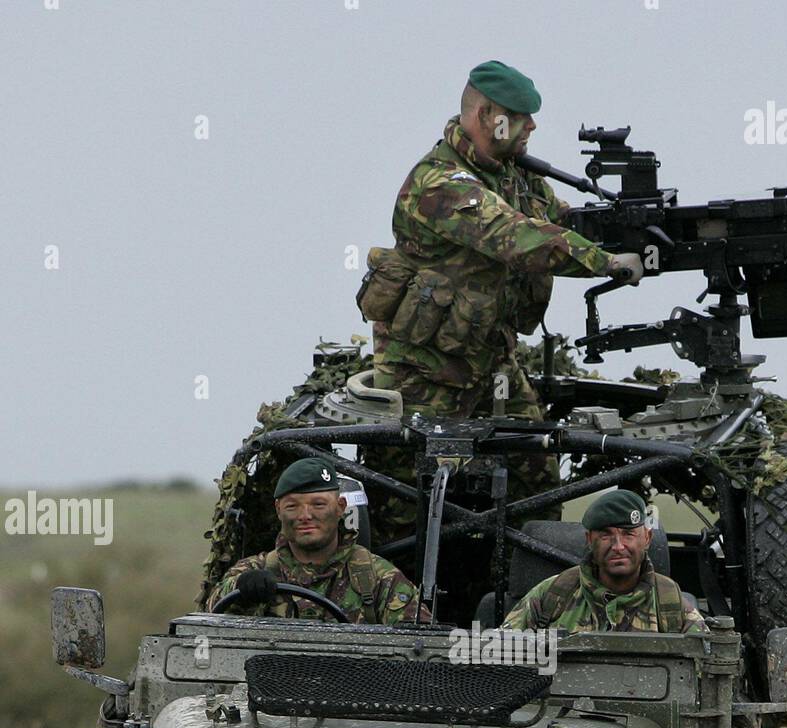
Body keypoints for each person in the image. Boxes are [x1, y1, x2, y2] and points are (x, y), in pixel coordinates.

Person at [356, 59, 643, 551]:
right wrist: (608, 262)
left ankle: (526, 590)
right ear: (486, 114)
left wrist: (645, 227)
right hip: (425, 375)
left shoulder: (514, 177)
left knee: (536, 482)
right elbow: (518, 238)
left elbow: (564, 221)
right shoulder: (439, 183)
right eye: (520, 115)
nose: (532, 126)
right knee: (405, 511)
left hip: (493, 365)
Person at [206, 459, 429, 624]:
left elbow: (419, 645)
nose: (305, 515)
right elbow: (211, 613)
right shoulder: (256, 569)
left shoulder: (378, 578)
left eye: (318, 504)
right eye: (292, 506)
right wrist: (242, 589)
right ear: (279, 510)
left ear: (340, 508)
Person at [501, 490, 709, 634]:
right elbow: (502, 655)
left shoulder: (669, 602)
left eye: (628, 534)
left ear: (646, 539)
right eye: (606, 535)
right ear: (590, 540)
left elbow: (708, 671)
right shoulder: (554, 594)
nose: (618, 546)